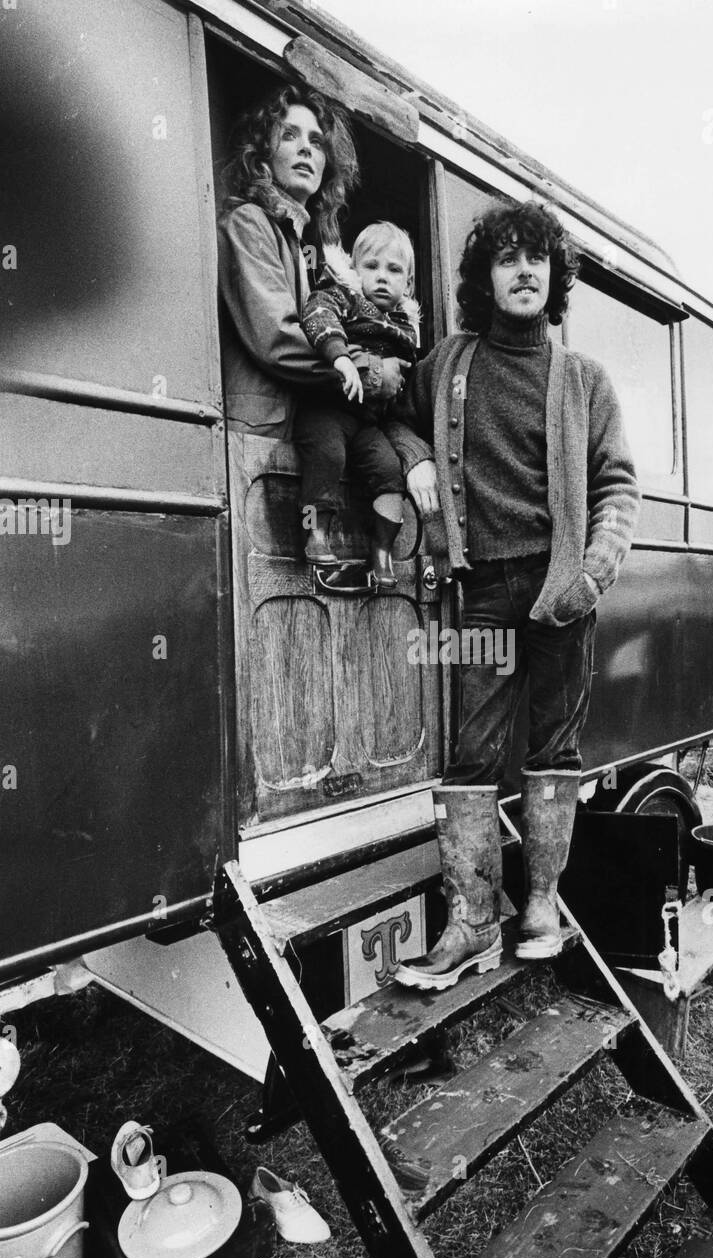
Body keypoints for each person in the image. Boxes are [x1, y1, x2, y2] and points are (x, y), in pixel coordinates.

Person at [388, 200, 642, 990]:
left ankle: (540, 903)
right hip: (482, 592)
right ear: (485, 279)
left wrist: (593, 572)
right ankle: (470, 921)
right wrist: (413, 457)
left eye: (538, 258)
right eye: (507, 258)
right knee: (469, 751)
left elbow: (617, 486)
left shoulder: (584, 381)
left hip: (558, 591)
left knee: (553, 748)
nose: (525, 270)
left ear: (555, 278)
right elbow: (390, 416)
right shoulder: (448, 365)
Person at [217, 83, 410, 566]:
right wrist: (367, 370)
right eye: (289, 136)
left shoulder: (302, 240)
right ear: (262, 154)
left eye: (317, 141)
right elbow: (277, 337)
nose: (306, 148)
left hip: (290, 448)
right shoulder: (250, 224)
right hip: (257, 447)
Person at [298, 222, 421, 588]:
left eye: (394, 270)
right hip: (329, 410)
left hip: (368, 424)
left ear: (408, 284)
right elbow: (318, 315)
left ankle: (381, 550)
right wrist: (340, 356)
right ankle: (315, 532)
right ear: (355, 269)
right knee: (326, 456)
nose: (382, 277)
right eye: (372, 266)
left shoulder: (406, 328)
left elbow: (409, 382)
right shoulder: (344, 297)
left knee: (389, 473)